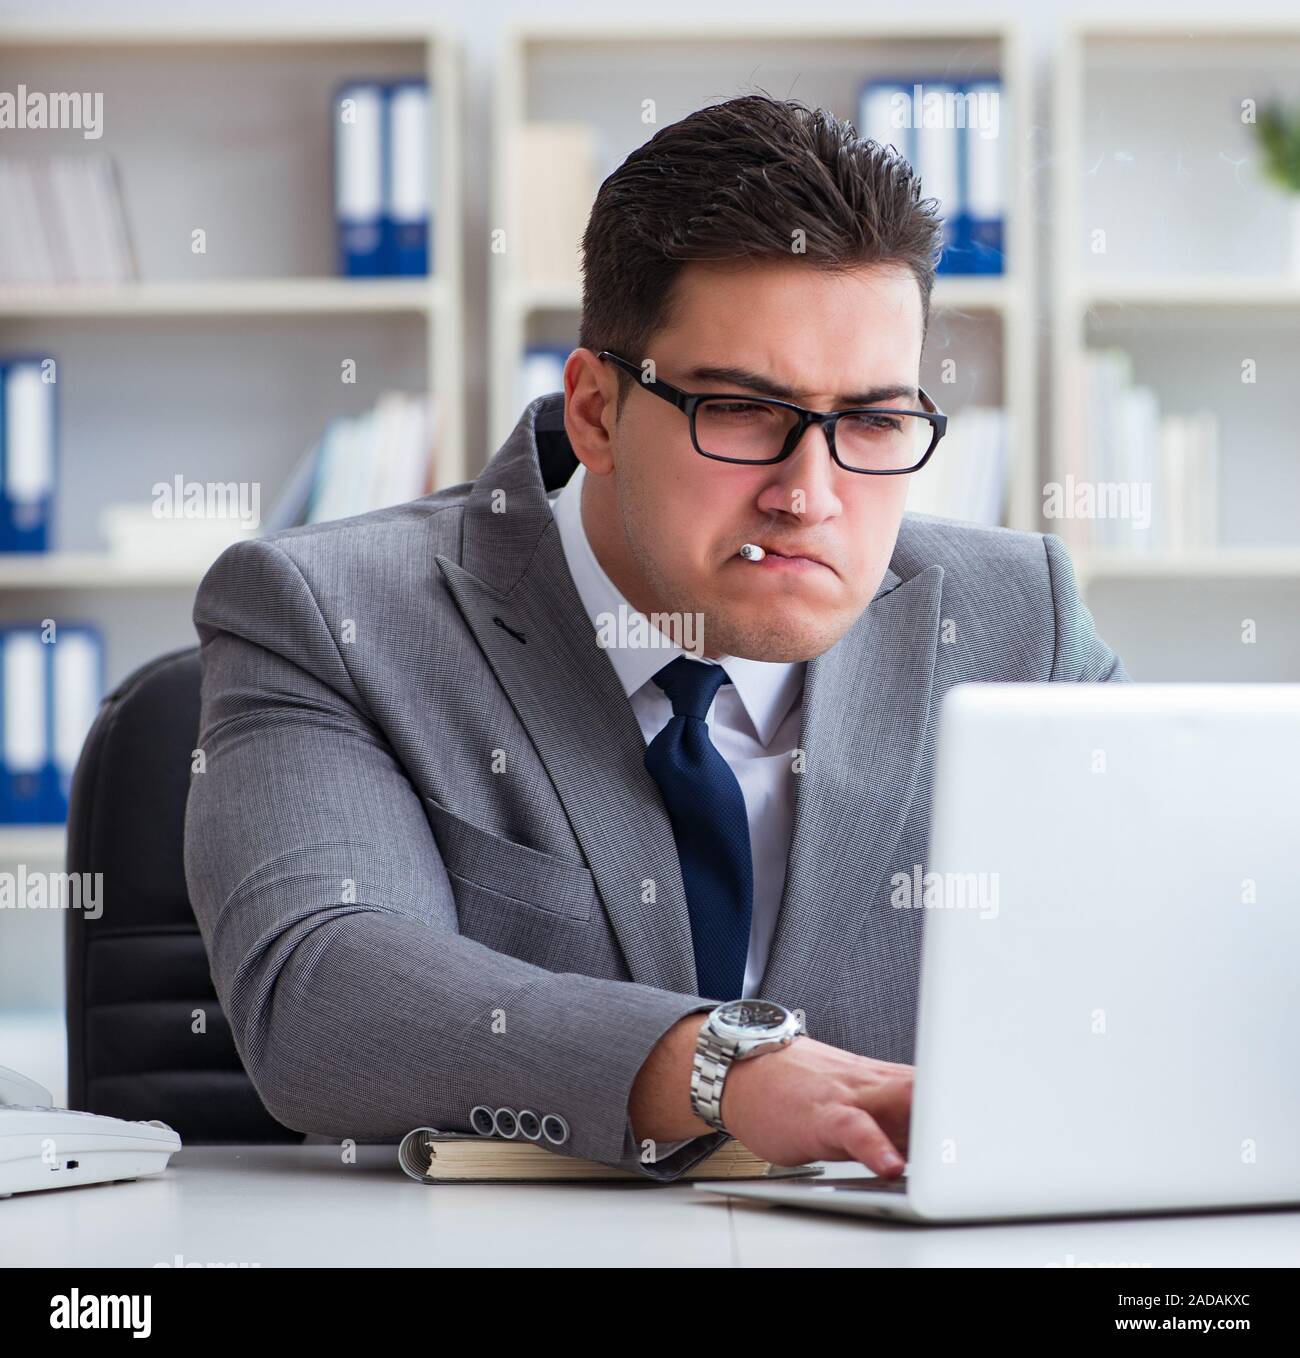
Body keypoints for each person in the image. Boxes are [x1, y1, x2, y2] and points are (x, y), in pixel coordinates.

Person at [184, 94, 1127, 1183]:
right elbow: (321, 990)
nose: (807, 495)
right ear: (594, 410)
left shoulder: (1019, 620)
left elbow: (1165, 949)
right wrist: (725, 1067)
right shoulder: (330, 614)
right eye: (738, 409)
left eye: (871, 421)